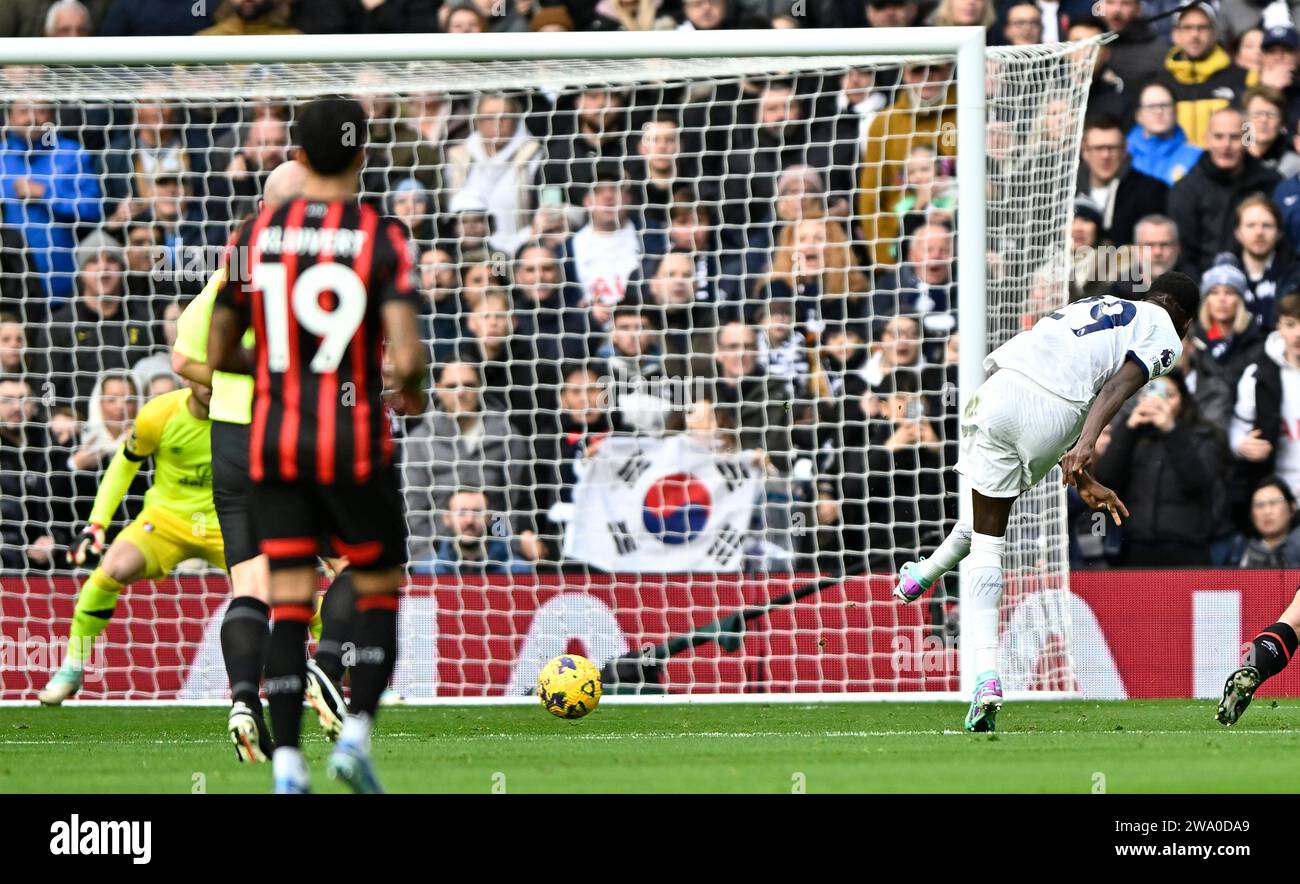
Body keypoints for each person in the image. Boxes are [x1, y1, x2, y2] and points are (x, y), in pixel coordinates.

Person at [207, 98, 427, 794]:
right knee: (381, 588)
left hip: (274, 448)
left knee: (289, 600)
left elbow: (216, 348)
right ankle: (356, 734)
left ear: (296, 152)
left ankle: (289, 768)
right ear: (361, 156)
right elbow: (410, 356)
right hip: (354, 444)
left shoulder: (259, 231)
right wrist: (407, 389)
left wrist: (277, 369)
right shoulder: (379, 235)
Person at [894, 272, 1200, 732]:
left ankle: (923, 574)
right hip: (1053, 413)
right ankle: (985, 679)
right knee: (990, 536)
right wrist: (1086, 444)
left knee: (987, 520)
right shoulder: (1166, 335)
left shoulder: (1104, 305)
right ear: (1187, 322)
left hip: (1000, 388)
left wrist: (1082, 462)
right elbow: (1119, 386)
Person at [172, 160, 356, 759]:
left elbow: (183, 357)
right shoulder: (323, 266)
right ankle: (326, 668)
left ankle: (244, 700)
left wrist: (215, 385)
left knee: (250, 587)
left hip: (230, 437)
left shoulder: (234, 264)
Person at [37, 381, 227, 709]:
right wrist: (97, 524)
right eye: (203, 372)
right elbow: (124, 465)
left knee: (289, 588)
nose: (211, 381)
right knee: (108, 571)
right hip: (165, 522)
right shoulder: (159, 414)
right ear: (187, 376)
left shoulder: (244, 413)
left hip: (228, 522)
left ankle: (328, 667)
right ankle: (72, 668)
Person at [1093, 369, 1227, 566]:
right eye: (1152, 393)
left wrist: (1171, 430)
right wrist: (1128, 428)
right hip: (1135, 546)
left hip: (1187, 547)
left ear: (1183, 400)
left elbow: (1197, 483)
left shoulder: (1203, 435)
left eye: (1169, 395)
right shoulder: (1131, 432)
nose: (1159, 401)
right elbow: (1106, 478)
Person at [1227, 477, 1300, 567]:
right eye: (1259, 505)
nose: (1267, 511)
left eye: (1274, 503)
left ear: (1292, 507)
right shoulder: (1239, 551)